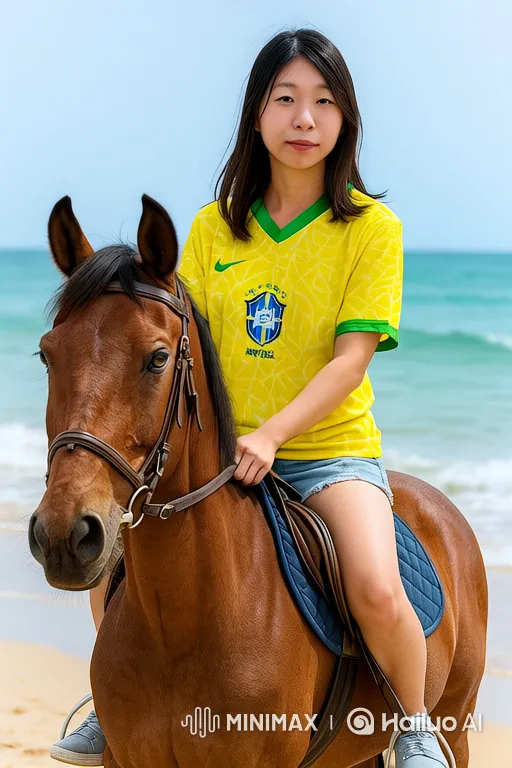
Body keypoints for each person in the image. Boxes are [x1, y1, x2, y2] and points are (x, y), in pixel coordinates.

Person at [50, 28, 450, 768]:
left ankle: (416, 727)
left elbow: (350, 363)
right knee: (117, 566)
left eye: (324, 103)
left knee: (374, 584)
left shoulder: (370, 230)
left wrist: (270, 438)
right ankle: (112, 704)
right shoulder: (210, 231)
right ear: (257, 116)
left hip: (326, 455)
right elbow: (178, 351)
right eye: (286, 99)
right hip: (221, 459)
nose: (305, 119)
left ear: (345, 120)